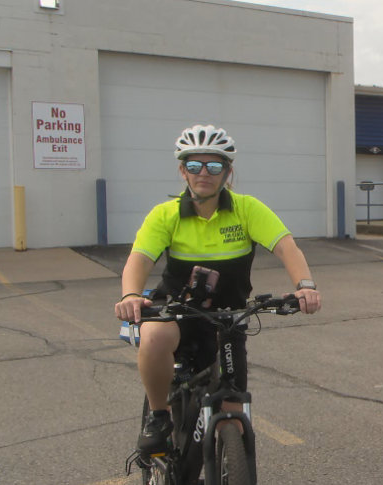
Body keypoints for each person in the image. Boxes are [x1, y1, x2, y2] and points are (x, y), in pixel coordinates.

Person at [114, 125, 322, 453]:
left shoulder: (247, 209)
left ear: (227, 171)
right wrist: (130, 295)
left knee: (234, 416)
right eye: (195, 166)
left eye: (214, 166)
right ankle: (158, 414)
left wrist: (305, 286)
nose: (204, 174)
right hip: (176, 311)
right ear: (183, 170)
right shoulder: (165, 215)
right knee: (153, 338)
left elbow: (287, 247)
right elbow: (138, 261)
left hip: (228, 318)